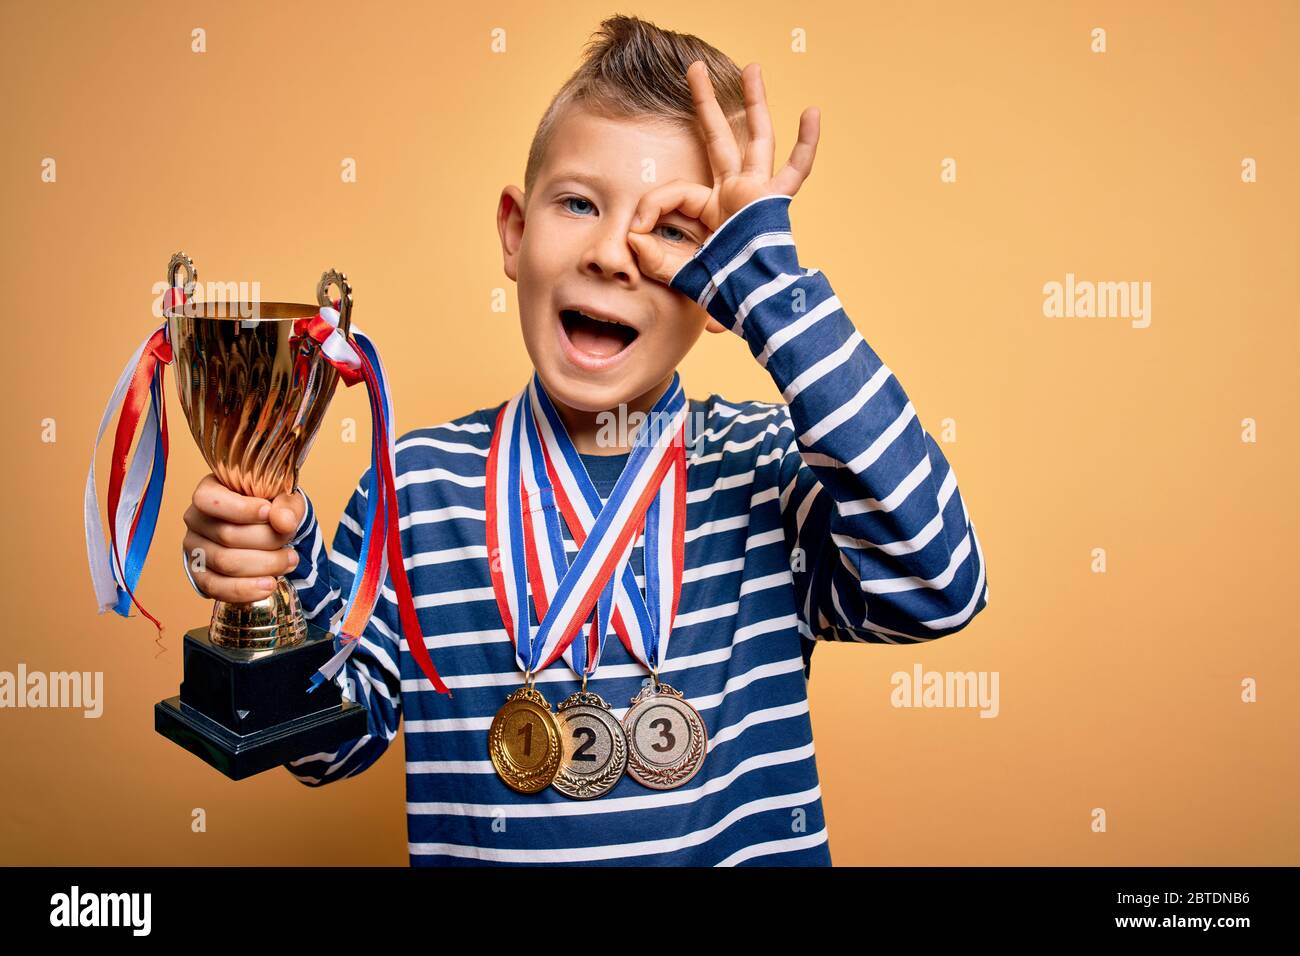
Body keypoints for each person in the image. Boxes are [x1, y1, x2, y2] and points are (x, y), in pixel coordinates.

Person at [180, 14, 989, 866]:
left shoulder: (765, 472)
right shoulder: (414, 487)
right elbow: (327, 743)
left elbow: (939, 585)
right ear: (513, 232)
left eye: (673, 230)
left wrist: (770, 285)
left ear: (716, 293)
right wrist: (267, 578)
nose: (611, 254)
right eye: (577, 204)